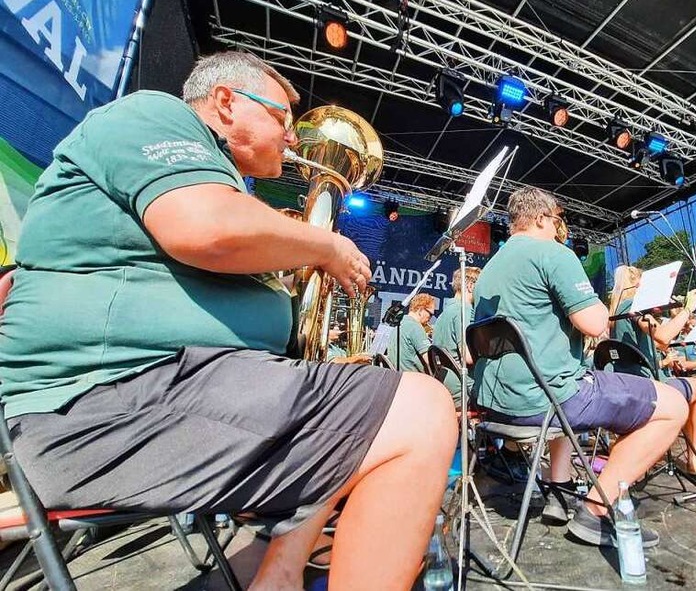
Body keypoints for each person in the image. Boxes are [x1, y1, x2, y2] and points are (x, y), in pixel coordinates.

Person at [0, 51, 457, 590]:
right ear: (225, 102)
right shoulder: (154, 115)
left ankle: (279, 573)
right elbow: (204, 228)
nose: (293, 140)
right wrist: (325, 244)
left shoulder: (223, 183)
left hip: (154, 392)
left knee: (361, 419)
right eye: (283, 121)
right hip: (105, 406)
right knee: (420, 411)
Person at [472, 189, 689, 547]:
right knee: (673, 406)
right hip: (547, 397)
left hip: (498, 404)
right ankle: (596, 511)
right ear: (542, 218)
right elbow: (594, 323)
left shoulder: (489, 268)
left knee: (593, 393)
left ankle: (559, 488)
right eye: (557, 219)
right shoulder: (554, 253)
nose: (560, 227)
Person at [608, 266, 696, 478]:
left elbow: (658, 345)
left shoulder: (617, 311)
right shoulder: (634, 306)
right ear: (639, 286)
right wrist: (688, 309)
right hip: (648, 383)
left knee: (692, 393)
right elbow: (663, 337)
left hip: (630, 382)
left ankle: (694, 457)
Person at [432, 267, 480, 406]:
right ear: (471, 286)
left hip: (446, 385)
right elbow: (468, 357)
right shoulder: (464, 310)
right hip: (464, 389)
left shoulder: (445, 312)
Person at [386, 293, 436, 373]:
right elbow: (430, 361)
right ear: (420, 310)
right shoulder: (415, 327)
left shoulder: (399, 324)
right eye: (430, 314)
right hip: (413, 379)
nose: (430, 318)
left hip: (396, 377)